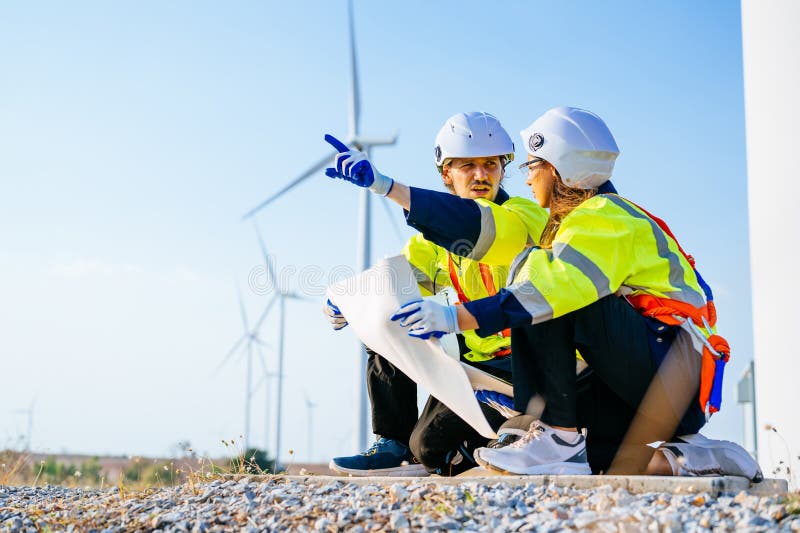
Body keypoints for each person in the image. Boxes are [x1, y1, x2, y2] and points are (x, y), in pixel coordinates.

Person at [390, 106, 762, 480]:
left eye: (531, 166)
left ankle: (558, 440)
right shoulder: (580, 222)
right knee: (578, 448)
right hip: (656, 382)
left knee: (543, 288)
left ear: (555, 169)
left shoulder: (603, 217)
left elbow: (550, 290)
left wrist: (455, 317)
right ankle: (699, 454)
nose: (528, 178)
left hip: (673, 372)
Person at [323, 112, 548, 476]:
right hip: (479, 372)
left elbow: (479, 226)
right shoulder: (434, 242)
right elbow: (388, 283)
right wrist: (347, 300)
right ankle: (394, 444)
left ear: (503, 169)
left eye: (491, 164)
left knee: (434, 448)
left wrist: (386, 186)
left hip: (532, 366)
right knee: (423, 443)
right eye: (467, 166)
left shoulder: (526, 216)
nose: (481, 175)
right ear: (446, 174)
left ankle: (522, 431)